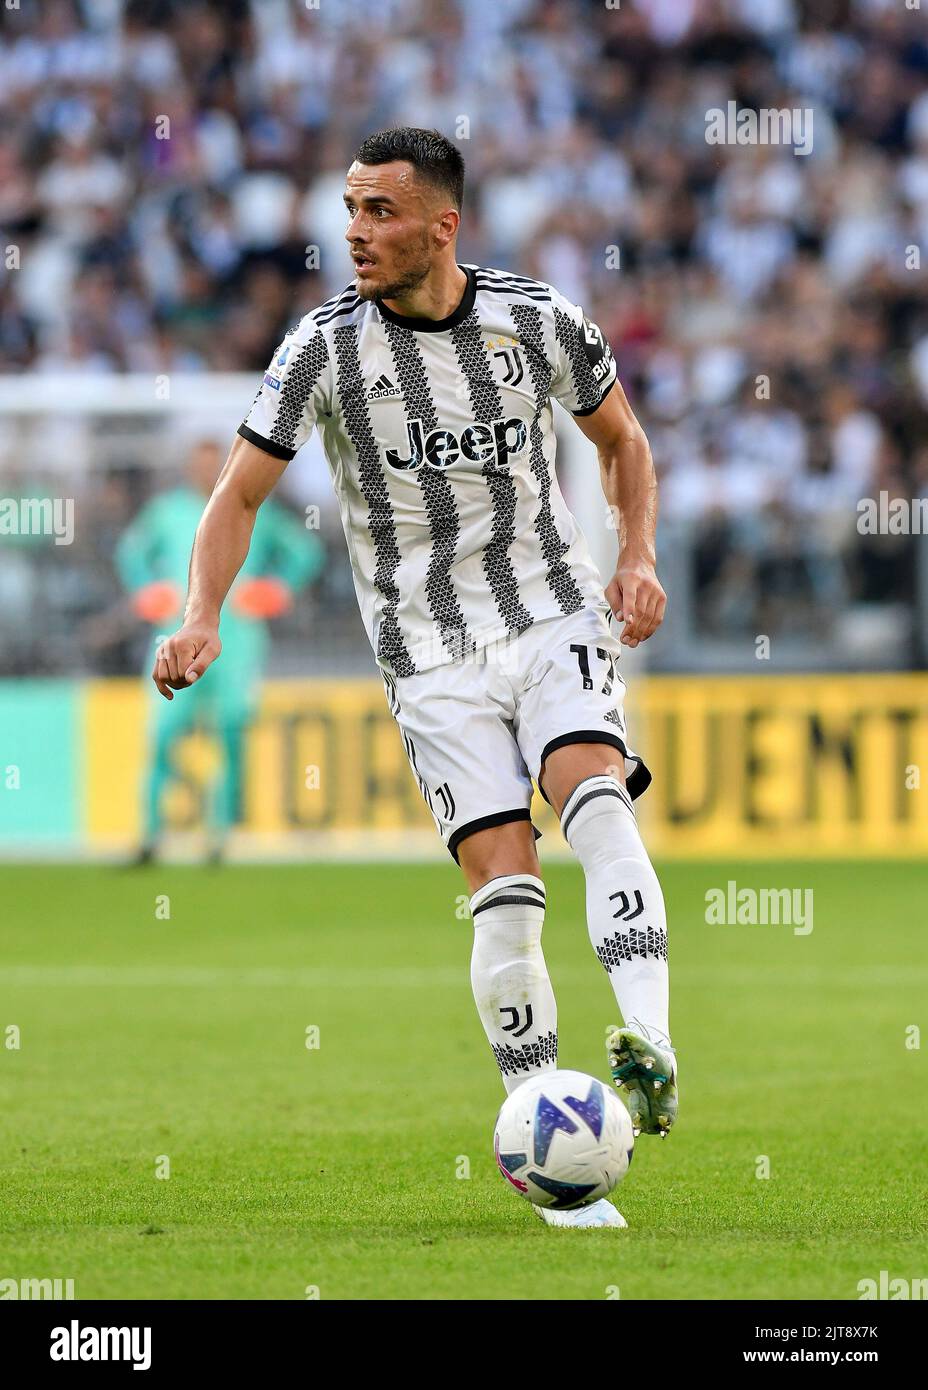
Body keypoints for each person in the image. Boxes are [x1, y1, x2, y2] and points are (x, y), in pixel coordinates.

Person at [152, 128, 675, 1227]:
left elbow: (622, 443)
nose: (355, 231)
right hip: (426, 653)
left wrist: (634, 555)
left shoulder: (536, 320)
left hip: (547, 610)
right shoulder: (319, 350)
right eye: (349, 209)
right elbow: (239, 496)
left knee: (591, 791)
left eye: (380, 211)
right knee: (506, 897)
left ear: (443, 225)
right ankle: (561, 1172)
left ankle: (651, 1044)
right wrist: (201, 612)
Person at [118, 437, 323, 862]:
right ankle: (151, 835)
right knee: (163, 733)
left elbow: (304, 551)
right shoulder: (168, 511)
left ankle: (218, 837)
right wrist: (146, 590)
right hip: (174, 635)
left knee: (229, 732)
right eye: (201, 463)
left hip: (239, 639)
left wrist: (278, 589)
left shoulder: (249, 508)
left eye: (215, 464)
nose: (207, 471)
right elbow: (131, 553)